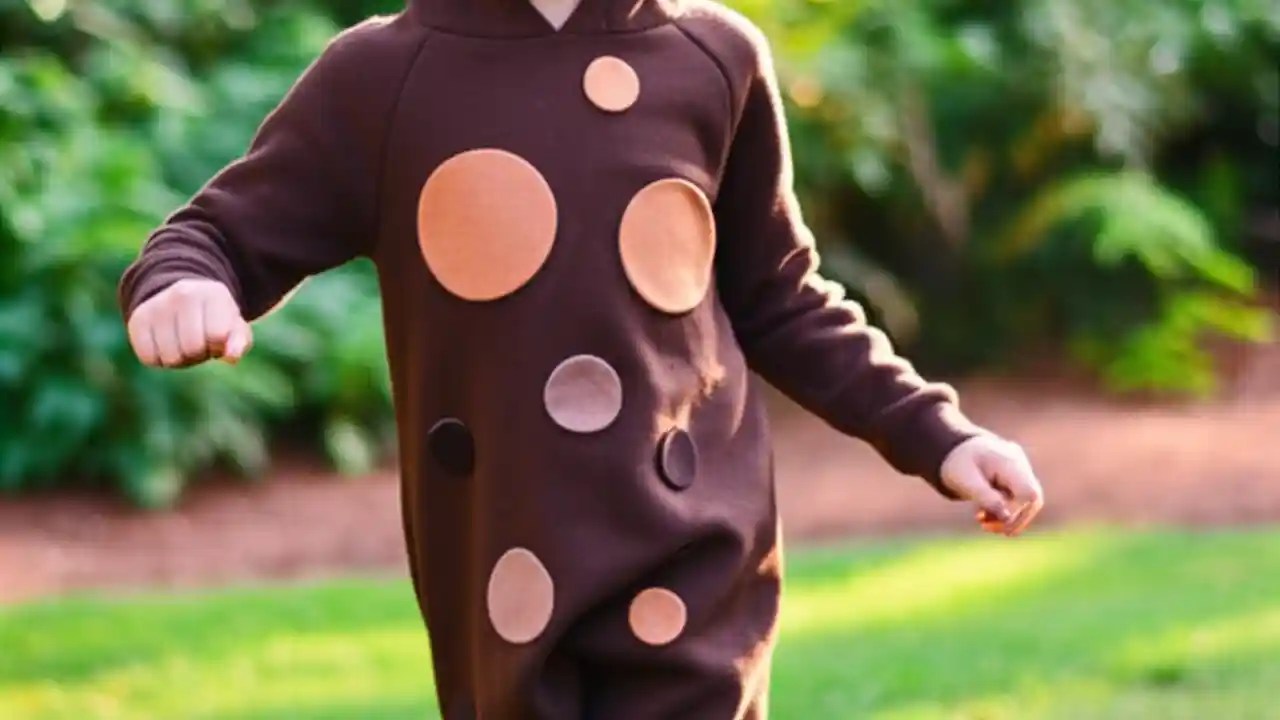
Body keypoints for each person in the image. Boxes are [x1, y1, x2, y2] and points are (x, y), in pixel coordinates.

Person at [118, 0, 1045, 717]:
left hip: (695, 548)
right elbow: (215, 237)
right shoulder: (387, 78)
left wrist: (938, 433)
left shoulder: (712, 61)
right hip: (501, 566)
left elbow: (784, 299)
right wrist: (184, 285)